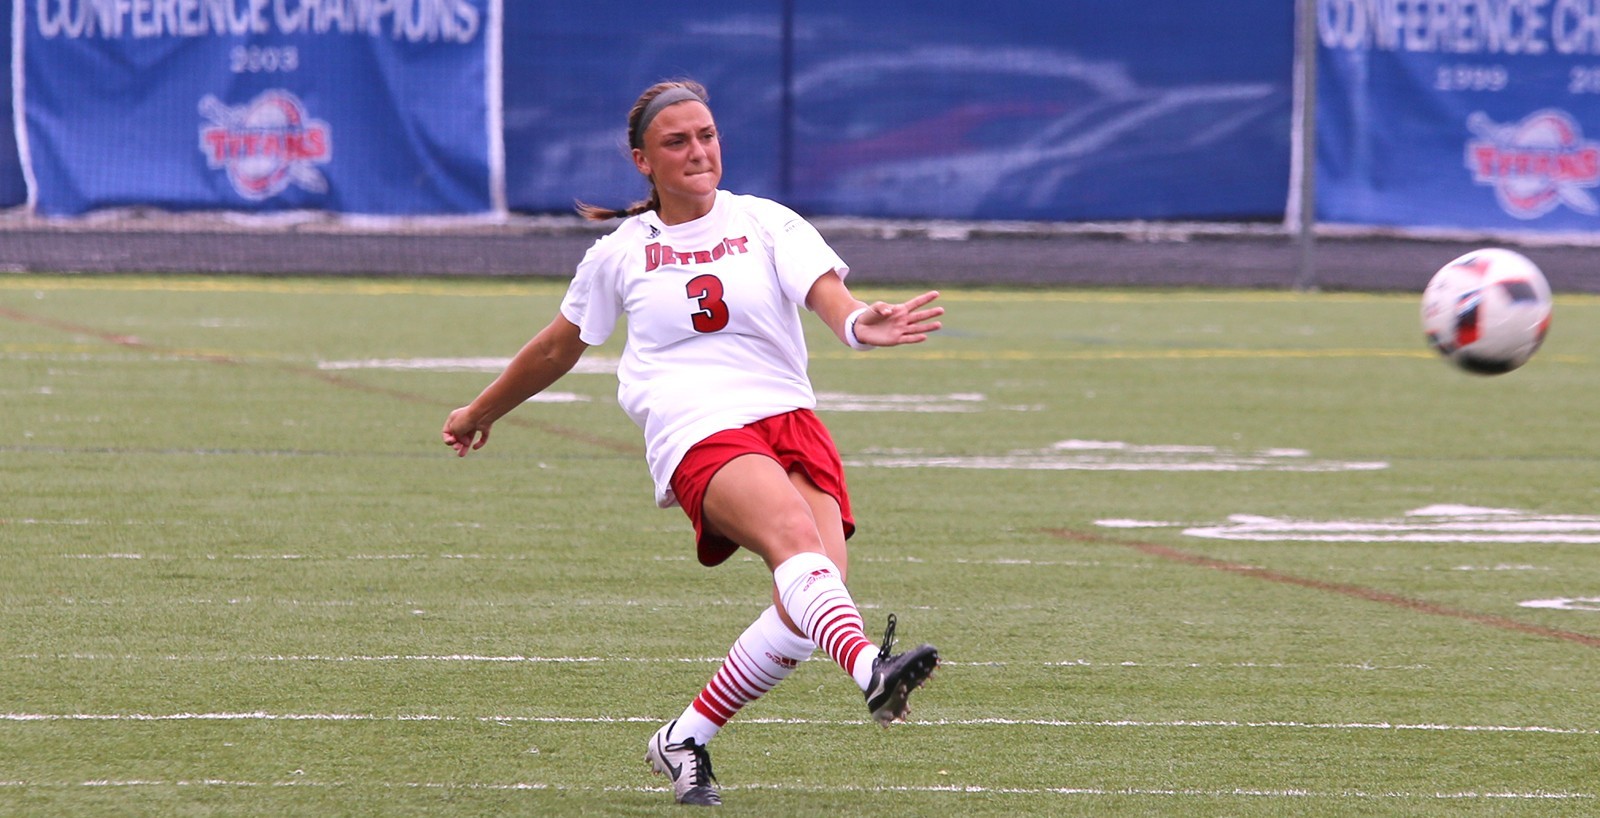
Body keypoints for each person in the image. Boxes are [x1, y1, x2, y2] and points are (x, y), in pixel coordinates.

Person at [442, 79, 942, 807]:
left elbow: (831, 299)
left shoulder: (766, 220)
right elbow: (556, 347)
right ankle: (871, 669)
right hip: (696, 427)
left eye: (706, 135)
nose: (698, 151)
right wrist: (478, 411)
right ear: (643, 160)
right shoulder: (620, 254)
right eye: (676, 141)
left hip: (788, 420)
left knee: (810, 601)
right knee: (795, 542)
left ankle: (684, 737)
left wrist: (862, 323)